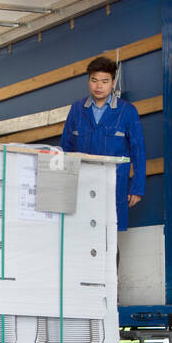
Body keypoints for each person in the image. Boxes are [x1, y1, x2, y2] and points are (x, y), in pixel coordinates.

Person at [60, 55, 145, 231]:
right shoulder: (77, 109)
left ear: (113, 83)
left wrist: (137, 188)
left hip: (114, 186)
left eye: (105, 81)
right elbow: (66, 149)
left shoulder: (127, 111)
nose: (99, 86)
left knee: (110, 236)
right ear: (88, 81)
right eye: (94, 80)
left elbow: (138, 152)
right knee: (82, 232)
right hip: (82, 184)